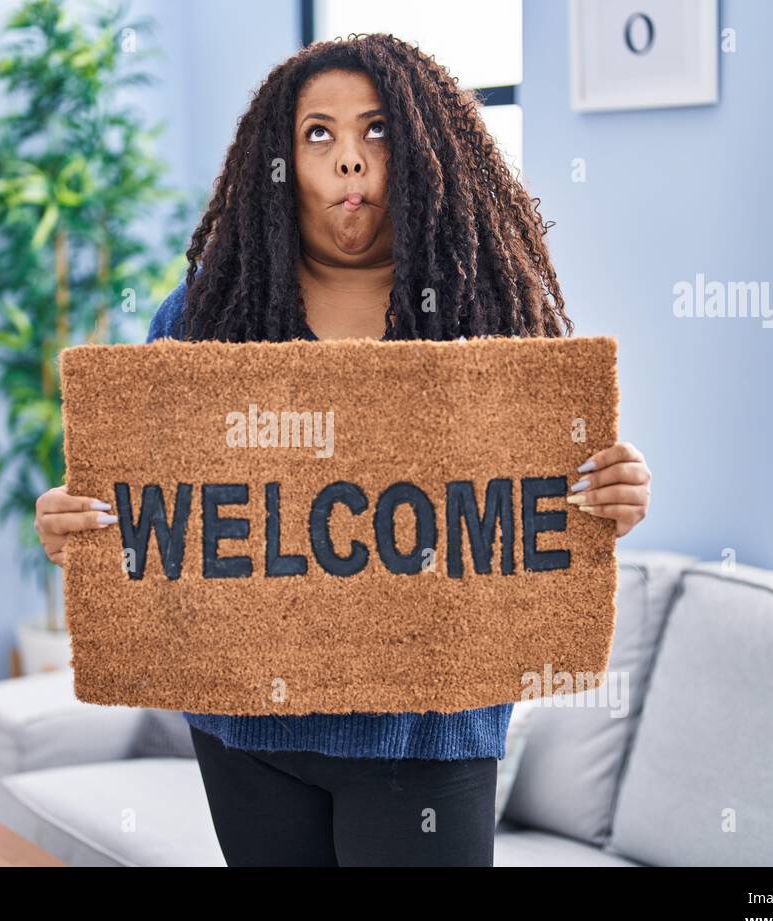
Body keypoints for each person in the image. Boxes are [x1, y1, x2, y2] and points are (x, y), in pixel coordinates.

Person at [33, 33, 651, 866]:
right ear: (277, 163)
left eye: (377, 130)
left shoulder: (487, 307)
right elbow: (151, 514)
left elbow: (539, 492)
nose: (350, 161)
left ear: (428, 148)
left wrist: (613, 491)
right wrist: (77, 530)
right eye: (319, 135)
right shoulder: (202, 316)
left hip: (428, 733)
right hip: (244, 727)